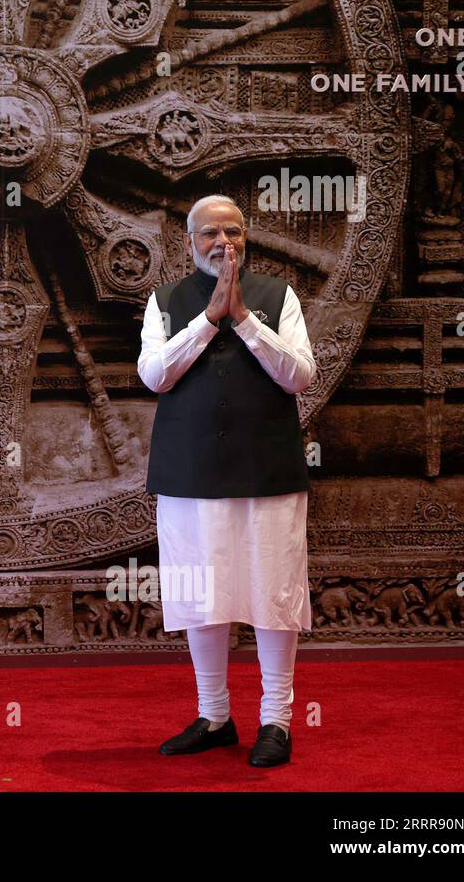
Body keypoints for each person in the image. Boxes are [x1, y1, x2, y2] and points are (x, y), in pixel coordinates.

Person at [136, 193, 316, 768]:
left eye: (233, 232)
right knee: (201, 596)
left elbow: (299, 377)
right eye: (210, 234)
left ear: (247, 237)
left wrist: (243, 319)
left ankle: (276, 721)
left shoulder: (278, 296)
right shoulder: (165, 301)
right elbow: (155, 375)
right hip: (190, 472)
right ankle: (214, 715)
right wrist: (209, 320)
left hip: (267, 469)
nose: (223, 242)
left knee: (273, 593)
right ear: (189, 244)